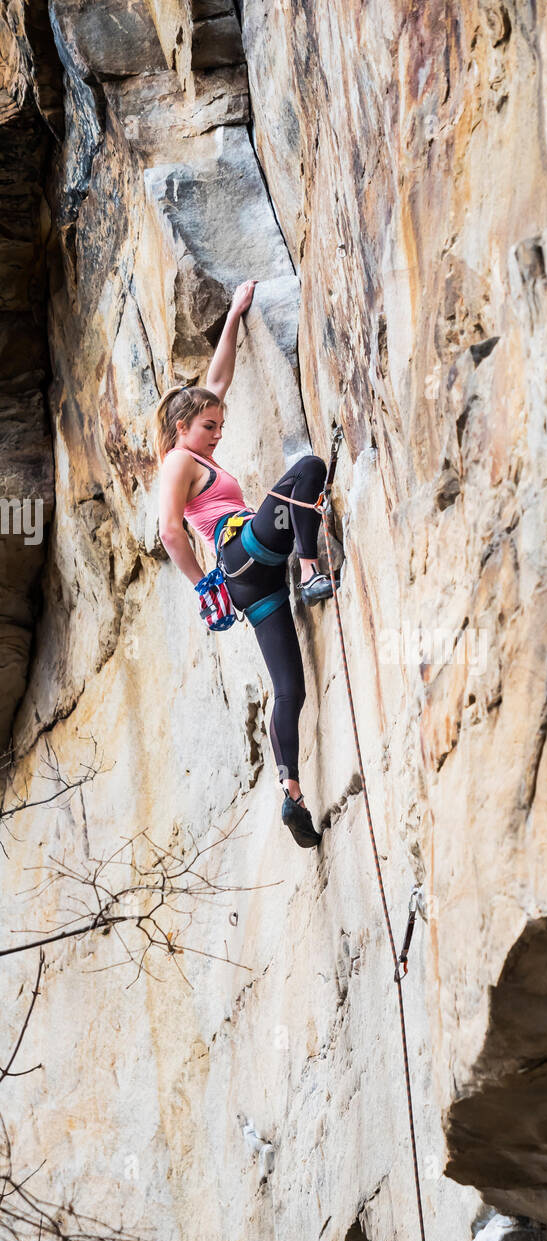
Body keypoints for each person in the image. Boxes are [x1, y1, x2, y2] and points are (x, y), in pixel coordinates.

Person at [155, 278, 338, 849]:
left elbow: (217, 381)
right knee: (308, 469)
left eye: (219, 428)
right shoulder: (178, 461)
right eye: (208, 428)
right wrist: (200, 582)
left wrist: (233, 315)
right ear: (181, 429)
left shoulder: (193, 442)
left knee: (290, 689)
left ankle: (291, 792)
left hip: (248, 584)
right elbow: (169, 530)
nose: (216, 435)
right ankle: (310, 574)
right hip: (240, 555)